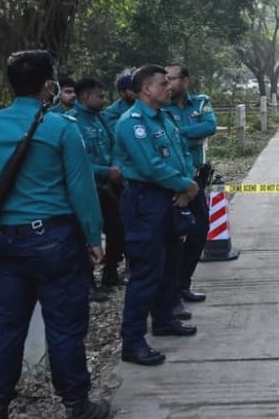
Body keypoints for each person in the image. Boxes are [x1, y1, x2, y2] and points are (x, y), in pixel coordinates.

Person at [0, 50, 110, 419]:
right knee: (64, 325)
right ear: (49, 86)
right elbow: (81, 189)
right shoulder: (60, 128)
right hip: (55, 241)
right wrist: (94, 237)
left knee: (7, 326)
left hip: (7, 243)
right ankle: (76, 403)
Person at [115, 64, 199, 367]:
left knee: (170, 263)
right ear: (146, 89)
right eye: (163, 84)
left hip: (171, 197)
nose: (169, 87)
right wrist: (186, 185)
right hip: (145, 200)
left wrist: (185, 183)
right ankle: (133, 341)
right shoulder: (132, 123)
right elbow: (151, 166)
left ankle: (164, 319)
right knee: (145, 271)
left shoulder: (165, 118)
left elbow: (183, 154)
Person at [163, 63, 217, 314]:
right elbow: (165, 138)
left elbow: (209, 127)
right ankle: (169, 296)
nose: (168, 83)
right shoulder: (162, 106)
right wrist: (190, 136)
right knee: (172, 239)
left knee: (200, 230)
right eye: (165, 79)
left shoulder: (201, 102)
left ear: (185, 80)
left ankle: (183, 284)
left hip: (196, 178)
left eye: (171, 79)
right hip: (172, 181)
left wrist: (178, 133)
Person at [68, 77, 127, 291]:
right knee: (85, 234)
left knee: (118, 229)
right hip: (86, 189)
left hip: (108, 186)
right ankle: (88, 283)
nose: (104, 100)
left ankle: (110, 274)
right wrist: (105, 171)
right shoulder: (71, 122)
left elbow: (116, 147)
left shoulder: (100, 119)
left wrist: (116, 167)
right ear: (85, 96)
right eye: (100, 96)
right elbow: (75, 164)